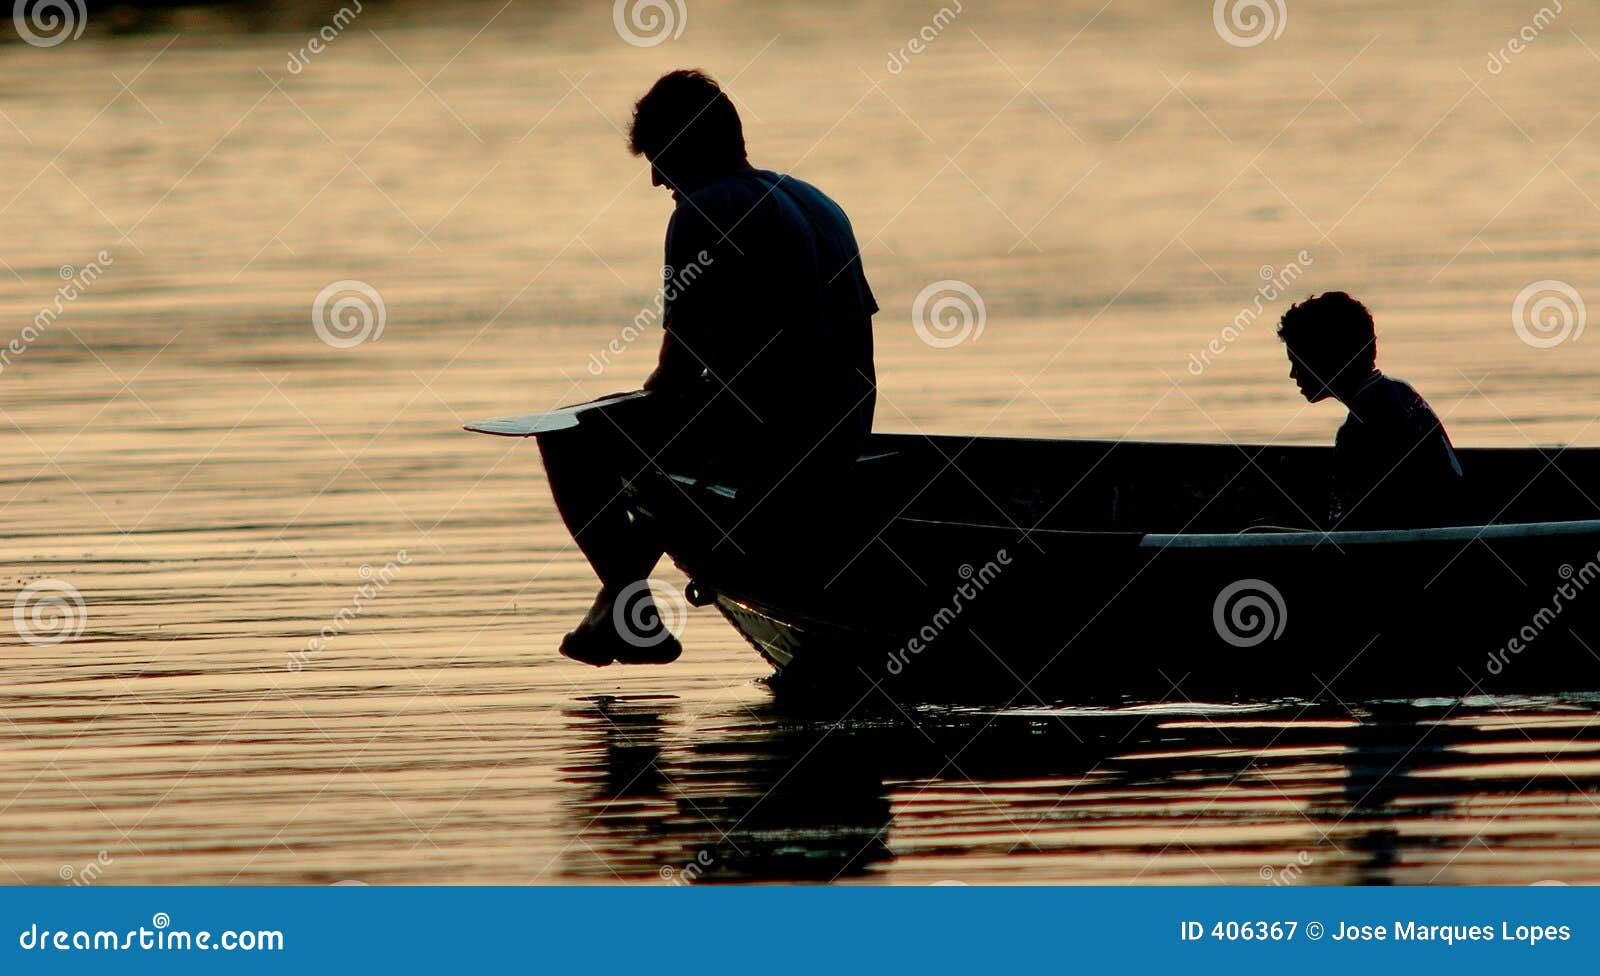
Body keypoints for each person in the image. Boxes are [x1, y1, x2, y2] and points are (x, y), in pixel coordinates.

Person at [539, 69, 878, 666]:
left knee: (567, 438)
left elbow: (675, 373)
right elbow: (850, 345)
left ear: (688, 145)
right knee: (654, 445)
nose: (655, 178)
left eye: (660, 157)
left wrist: (625, 416)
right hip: (844, 432)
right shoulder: (817, 201)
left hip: (774, 445)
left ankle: (624, 603)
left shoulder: (703, 211)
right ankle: (619, 604)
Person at [1277, 292, 1463, 530]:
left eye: (1298, 362)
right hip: (1443, 532)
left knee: (1255, 532)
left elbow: (1348, 534)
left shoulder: (1359, 430)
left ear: (1326, 357)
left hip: (1411, 550)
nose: (1293, 374)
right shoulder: (1403, 393)